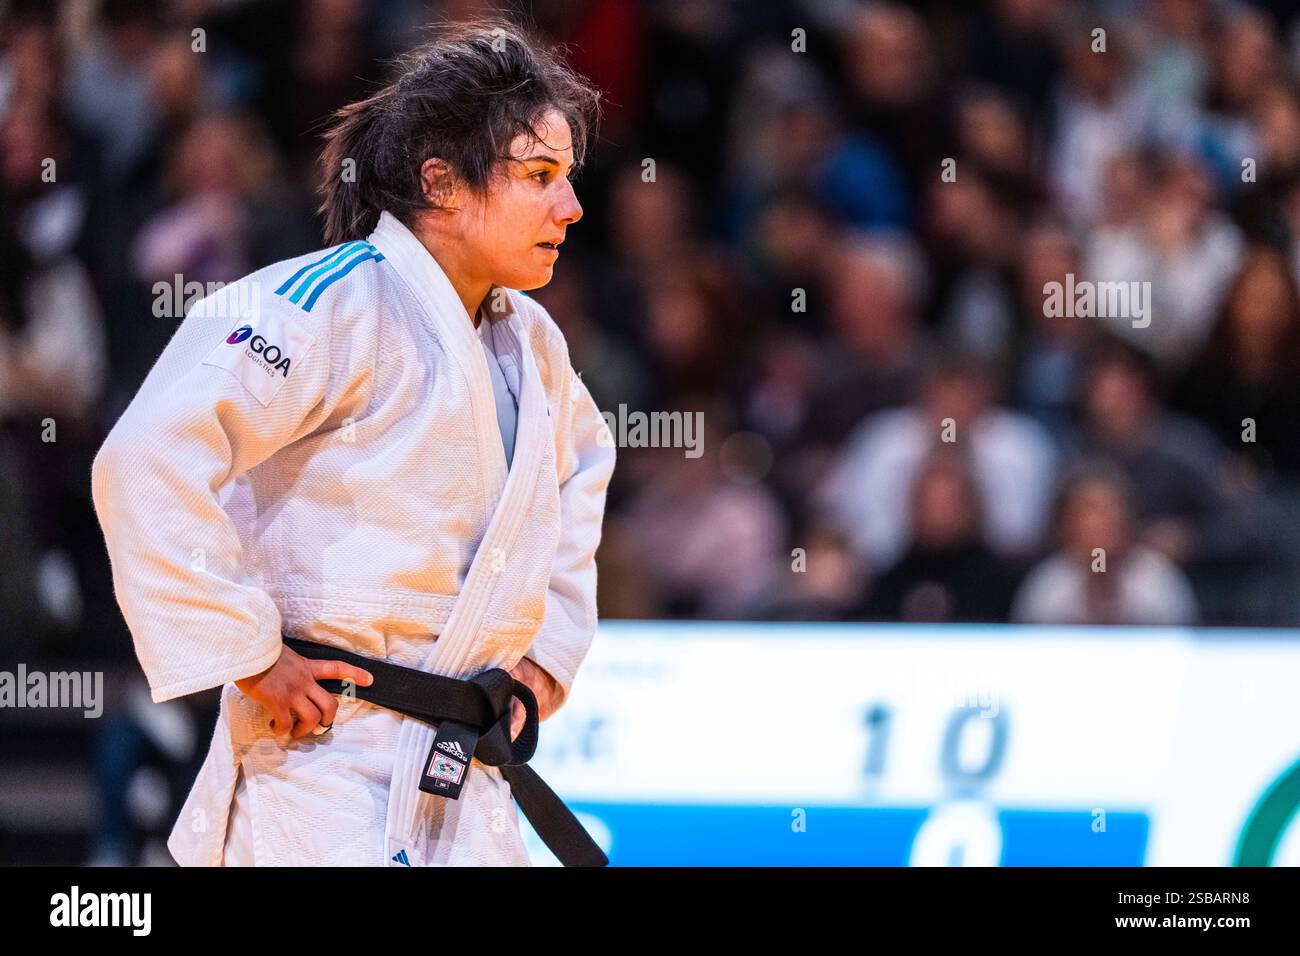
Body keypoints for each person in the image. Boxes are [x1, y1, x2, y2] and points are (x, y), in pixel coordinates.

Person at [90, 20, 614, 867]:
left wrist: (542, 663)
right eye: (539, 176)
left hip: (463, 774)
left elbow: (580, 483)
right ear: (442, 184)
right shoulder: (319, 305)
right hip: (319, 764)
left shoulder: (536, 345)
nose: (571, 206)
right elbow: (145, 459)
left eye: (568, 177)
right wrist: (249, 651)